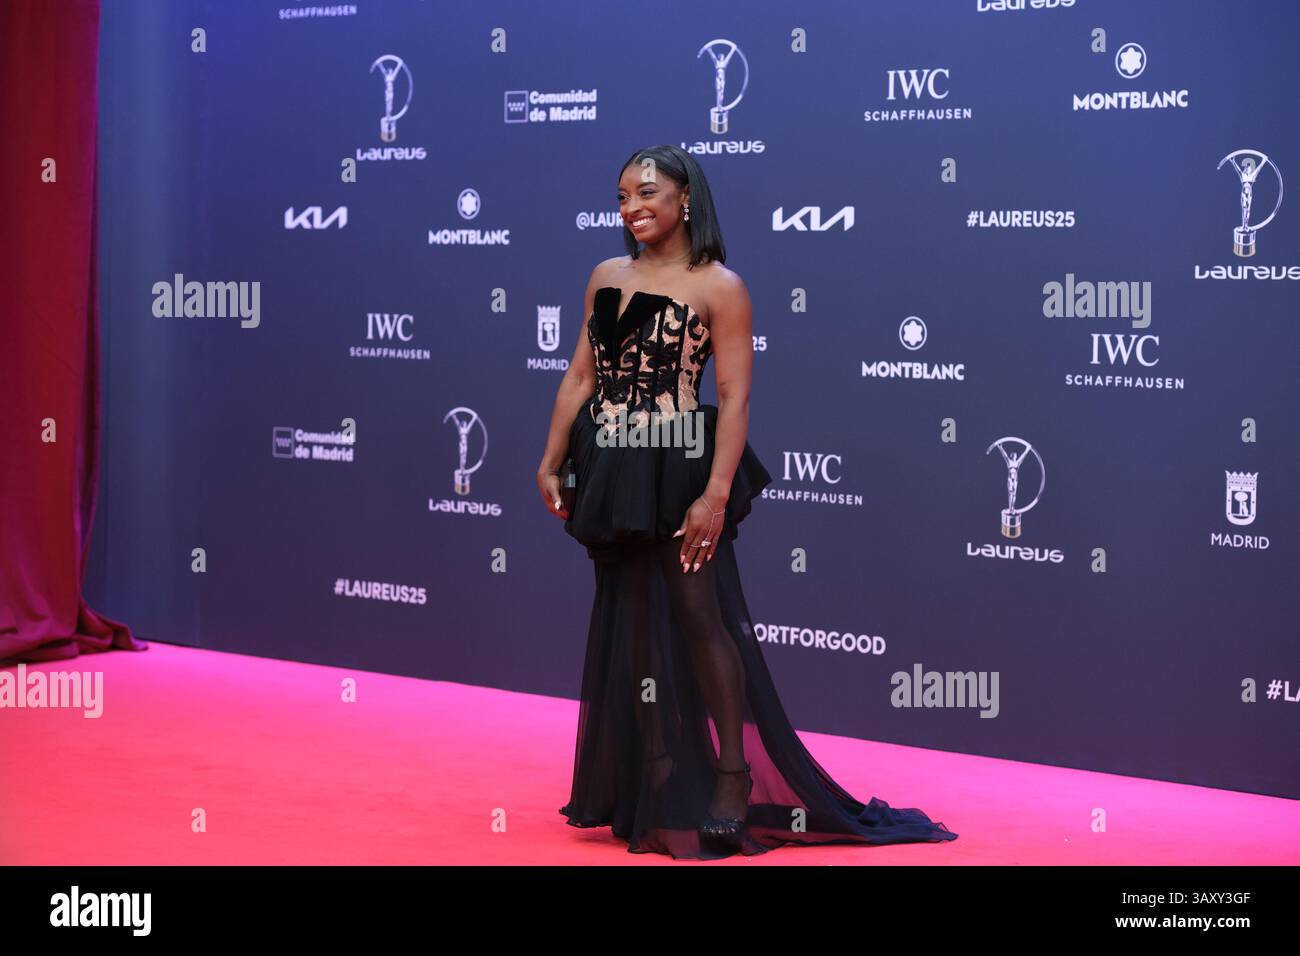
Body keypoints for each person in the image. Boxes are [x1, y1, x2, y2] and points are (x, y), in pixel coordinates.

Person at [536, 144, 957, 859]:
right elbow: (580, 376)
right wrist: (551, 458)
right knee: (632, 618)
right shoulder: (605, 275)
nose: (632, 208)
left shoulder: (720, 286)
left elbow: (733, 398)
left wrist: (715, 494)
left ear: (685, 200)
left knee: (700, 616)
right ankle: (658, 774)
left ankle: (732, 777)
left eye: (646, 194)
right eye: (621, 198)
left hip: (681, 464)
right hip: (610, 459)